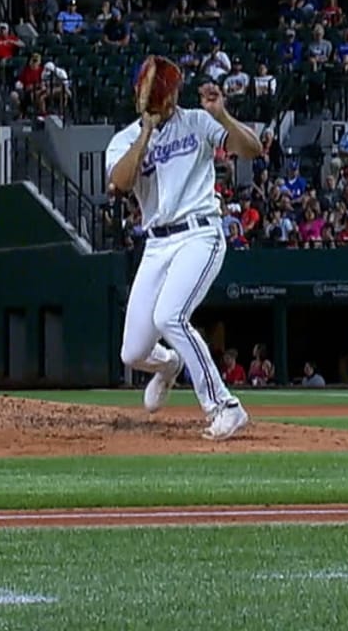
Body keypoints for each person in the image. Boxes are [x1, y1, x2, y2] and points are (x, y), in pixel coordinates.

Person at [106, 56, 264, 440]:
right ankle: (168, 364)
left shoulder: (196, 121)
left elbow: (253, 149)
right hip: (157, 244)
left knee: (170, 317)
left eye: (172, 88)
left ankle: (225, 406)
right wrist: (146, 133)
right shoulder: (125, 139)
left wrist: (223, 116)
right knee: (132, 353)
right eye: (165, 89)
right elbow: (121, 183)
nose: (171, 96)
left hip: (199, 233)